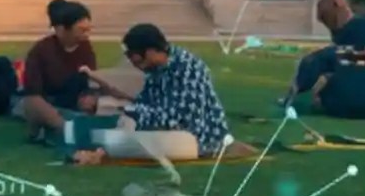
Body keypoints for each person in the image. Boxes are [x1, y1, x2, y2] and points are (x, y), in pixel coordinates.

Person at [66, 24, 258, 168]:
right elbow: (146, 104)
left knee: (120, 135)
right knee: (117, 119)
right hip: (169, 131)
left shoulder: (188, 68)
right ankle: (99, 149)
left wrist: (127, 110)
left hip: (196, 139)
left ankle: (99, 154)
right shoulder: (157, 70)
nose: (135, 64)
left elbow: (175, 118)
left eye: (136, 58)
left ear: (150, 51)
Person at [13, 0, 135, 142]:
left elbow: (92, 79)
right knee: (33, 103)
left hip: (76, 101)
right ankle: (65, 128)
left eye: (88, 30)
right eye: (81, 30)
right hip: (47, 102)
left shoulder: (85, 48)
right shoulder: (41, 51)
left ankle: (72, 126)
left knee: (109, 100)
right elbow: (33, 94)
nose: (86, 35)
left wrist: (90, 96)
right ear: (61, 29)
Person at [281, 0, 365, 117]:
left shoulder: (338, 48)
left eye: (324, 18)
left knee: (325, 82)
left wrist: (293, 93)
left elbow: (312, 63)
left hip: (342, 104)